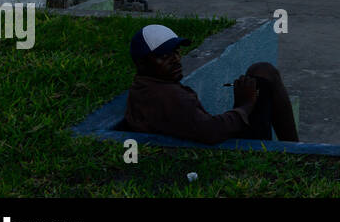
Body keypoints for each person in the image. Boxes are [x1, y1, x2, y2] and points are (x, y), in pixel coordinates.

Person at [122, 23, 299, 144]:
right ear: (142, 63)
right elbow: (211, 131)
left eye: (176, 52)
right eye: (164, 56)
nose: (176, 60)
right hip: (228, 153)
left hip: (206, 136)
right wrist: (245, 105)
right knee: (265, 71)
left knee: (260, 72)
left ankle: (295, 150)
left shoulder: (148, 86)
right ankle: (296, 152)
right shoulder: (166, 96)